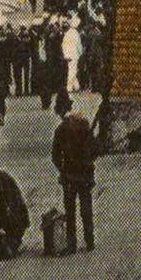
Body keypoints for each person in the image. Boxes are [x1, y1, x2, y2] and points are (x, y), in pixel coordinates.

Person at [50, 91, 97, 252]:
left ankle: (72, 244)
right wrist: (88, 163)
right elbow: (95, 148)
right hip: (85, 173)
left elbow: (55, 156)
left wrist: (62, 169)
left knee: (70, 211)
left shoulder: (60, 130)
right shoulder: (84, 125)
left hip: (69, 175)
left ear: (60, 110)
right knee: (86, 207)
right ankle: (89, 240)